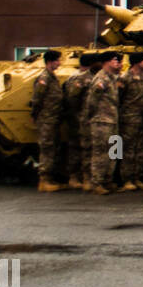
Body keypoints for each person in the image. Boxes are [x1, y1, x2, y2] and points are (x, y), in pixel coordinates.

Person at [85, 51, 123, 196]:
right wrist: (95, 117)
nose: (118, 62)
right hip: (102, 121)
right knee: (101, 152)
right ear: (106, 62)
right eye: (115, 60)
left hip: (113, 120)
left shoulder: (112, 78)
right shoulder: (100, 79)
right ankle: (97, 182)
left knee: (114, 151)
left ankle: (108, 180)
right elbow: (92, 101)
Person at [117, 51, 143, 190]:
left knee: (140, 149)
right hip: (128, 118)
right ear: (137, 62)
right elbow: (118, 98)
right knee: (127, 149)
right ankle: (126, 179)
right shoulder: (125, 78)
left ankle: (137, 177)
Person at [63, 53, 100, 190]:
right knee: (79, 148)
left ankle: (91, 177)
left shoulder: (98, 77)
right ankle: (76, 177)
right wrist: (79, 115)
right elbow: (72, 99)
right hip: (80, 119)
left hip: (96, 119)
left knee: (92, 148)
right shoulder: (79, 78)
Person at [30, 50, 66, 192]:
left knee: (53, 148)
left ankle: (51, 179)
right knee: (47, 149)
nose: (59, 63)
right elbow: (37, 99)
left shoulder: (52, 77)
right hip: (46, 119)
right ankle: (44, 180)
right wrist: (35, 115)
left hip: (53, 118)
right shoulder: (44, 78)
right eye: (58, 60)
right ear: (51, 61)